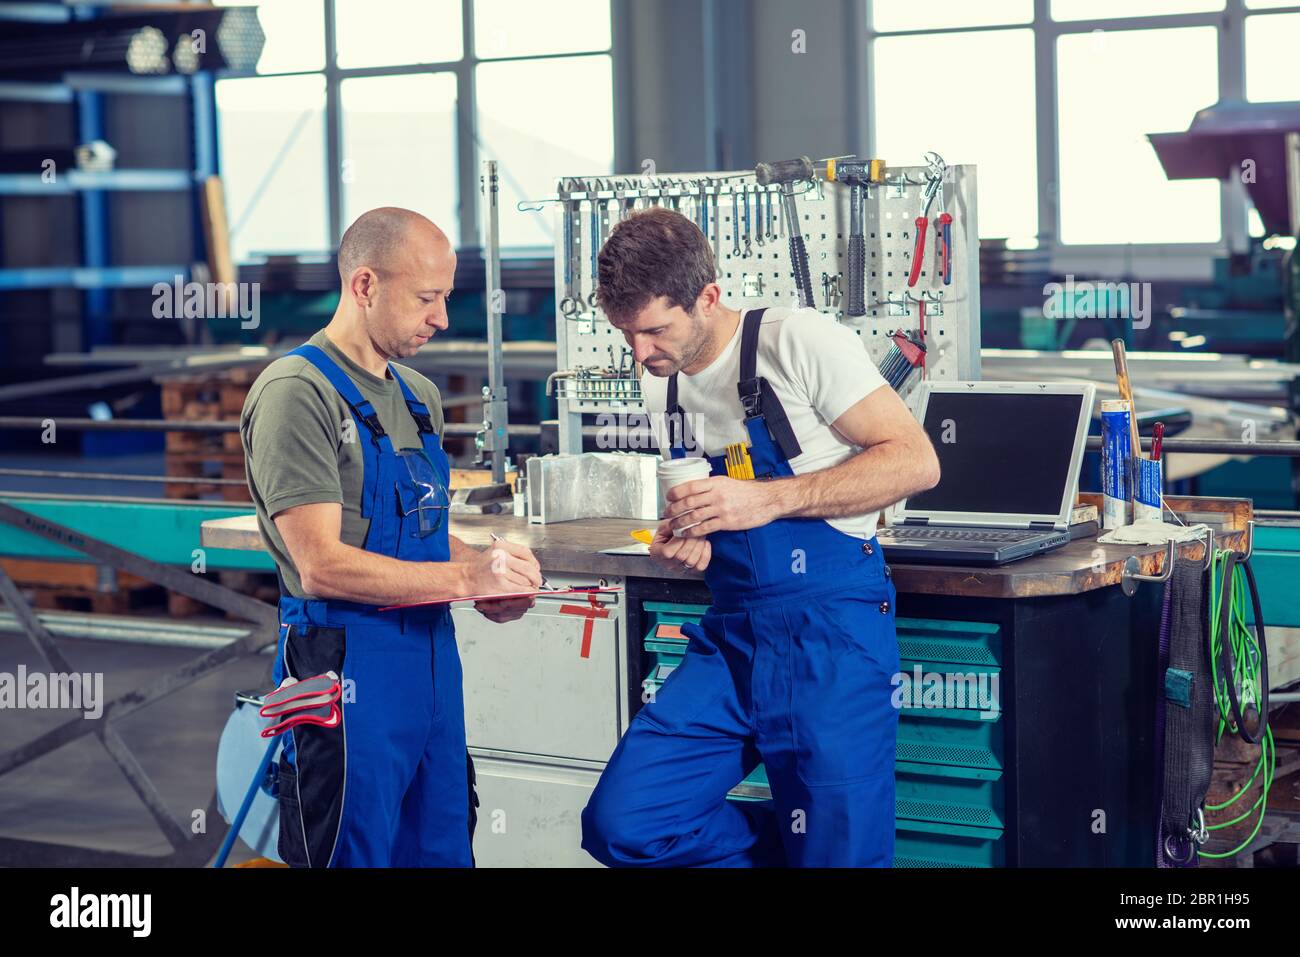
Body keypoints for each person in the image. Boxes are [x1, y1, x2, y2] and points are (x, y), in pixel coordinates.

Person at [580, 207, 941, 866]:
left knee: (839, 851)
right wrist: (687, 536)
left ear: (708, 297)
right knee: (625, 822)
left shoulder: (797, 339)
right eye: (626, 333)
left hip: (828, 630)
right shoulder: (657, 376)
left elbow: (916, 460)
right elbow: (704, 508)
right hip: (733, 636)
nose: (640, 351)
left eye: (655, 329)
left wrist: (767, 499)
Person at [240, 207, 541, 867]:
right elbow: (319, 565)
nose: (440, 318)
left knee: (441, 848)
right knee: (351, 851)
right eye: (427, 298)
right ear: (366, 285)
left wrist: (485, 573)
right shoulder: (297, 393)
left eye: (446, 298)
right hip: (346, 668)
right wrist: (461, 579)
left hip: (432, 667)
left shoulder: (418, 395)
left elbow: (424, 537)